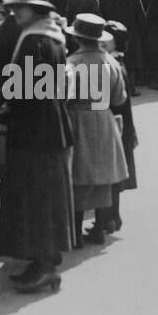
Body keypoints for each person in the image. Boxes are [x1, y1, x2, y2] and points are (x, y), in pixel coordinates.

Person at [0, 0, 76, 293]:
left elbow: (25, 95)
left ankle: (44, 267)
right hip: (49, 124)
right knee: (45, 195)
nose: (13, 12)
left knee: (37, 197)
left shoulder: (34, 42)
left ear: (36, 8)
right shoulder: (50, 36)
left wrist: (6, 116)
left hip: (35, 130)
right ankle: (44, 258)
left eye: (19, 7)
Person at [64, 14, 129, 248]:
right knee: (103, 174)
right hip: (104, 118)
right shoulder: (111, 62)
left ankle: (76, 233)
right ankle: (100, 228)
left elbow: (64, 96)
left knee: (79, 174)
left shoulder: (71, 63)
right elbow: (120, 97)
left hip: (78, 118)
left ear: (78, 37)